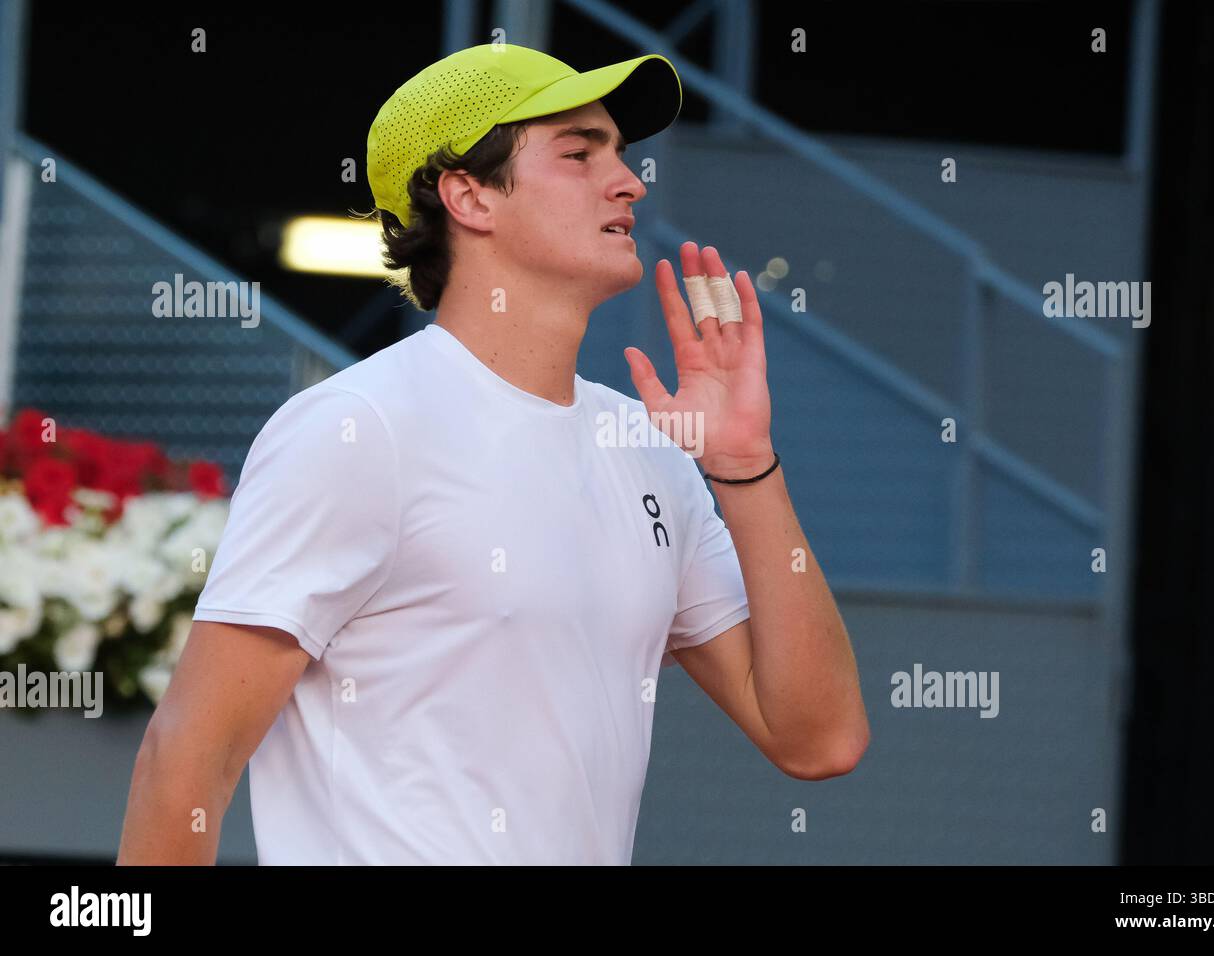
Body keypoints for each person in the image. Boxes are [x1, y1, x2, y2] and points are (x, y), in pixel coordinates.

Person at [118, 43, 868, 866]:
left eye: (621, 155)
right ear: (469, 196)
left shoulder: (650, 452)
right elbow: (189, 756)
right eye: (580, 154)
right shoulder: (358, 427)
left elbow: (819, 740)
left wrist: (745, 467)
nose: (629, 182)